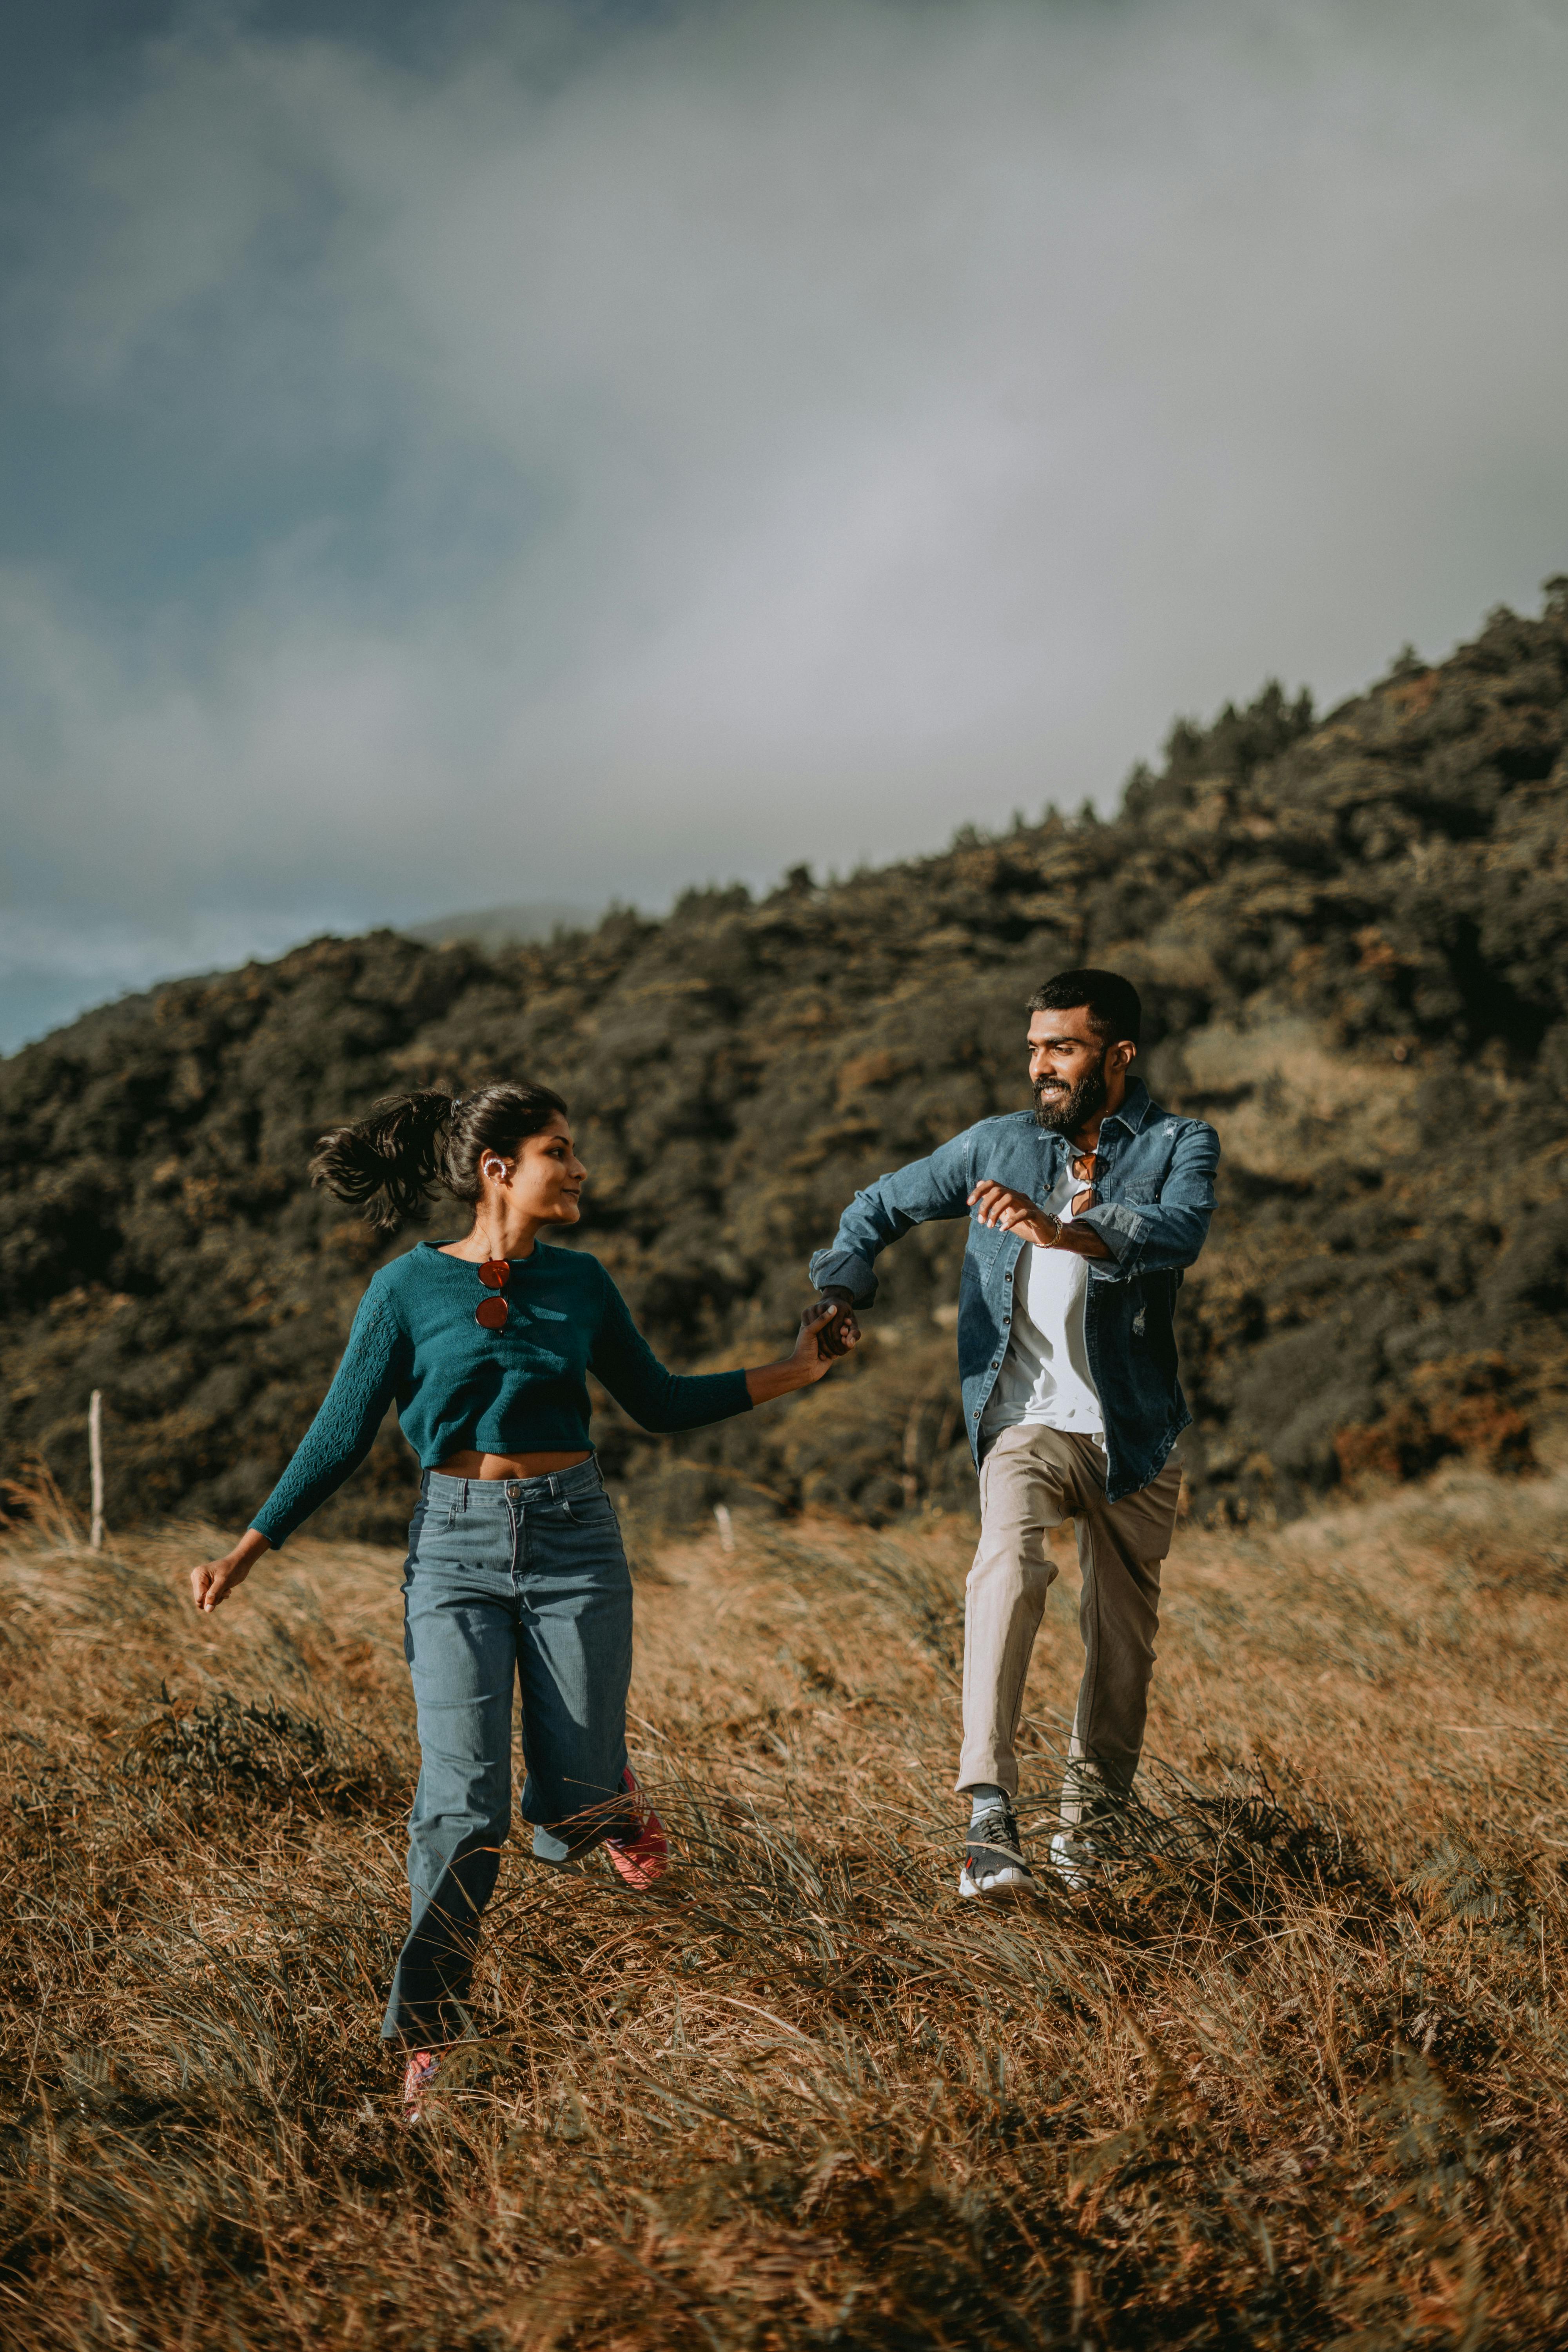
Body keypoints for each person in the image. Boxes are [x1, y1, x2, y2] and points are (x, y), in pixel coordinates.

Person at [189, 1082, 852, 2111]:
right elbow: (341, 1433)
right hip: (451, 1555)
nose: (579, 1169)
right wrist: (249, 1548)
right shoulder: (404, 1290)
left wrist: (797, 1371)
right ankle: (432, 2035)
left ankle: (601, 1795)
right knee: (462, 1806)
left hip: (573, 1542)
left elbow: (660, 1400)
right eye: (559, 1150)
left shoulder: (581, 1283)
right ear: (499, 1169)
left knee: (574, 1795)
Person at [809, 970, 1218, 1899]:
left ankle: (1091, 1835)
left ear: (1117, 1056)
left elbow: (1180, 1229)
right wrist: (840, 1286)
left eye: (1061, 1049)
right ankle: (987, 1817)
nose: (1039, 1066)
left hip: (1133, 1434)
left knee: (1123, 1643)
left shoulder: (1178, 1142)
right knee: (1007, 1562)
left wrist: (1062, 1230)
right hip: (1023, 1420)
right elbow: (879, 1205)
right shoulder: (996, 1144)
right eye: (1033, 1047)